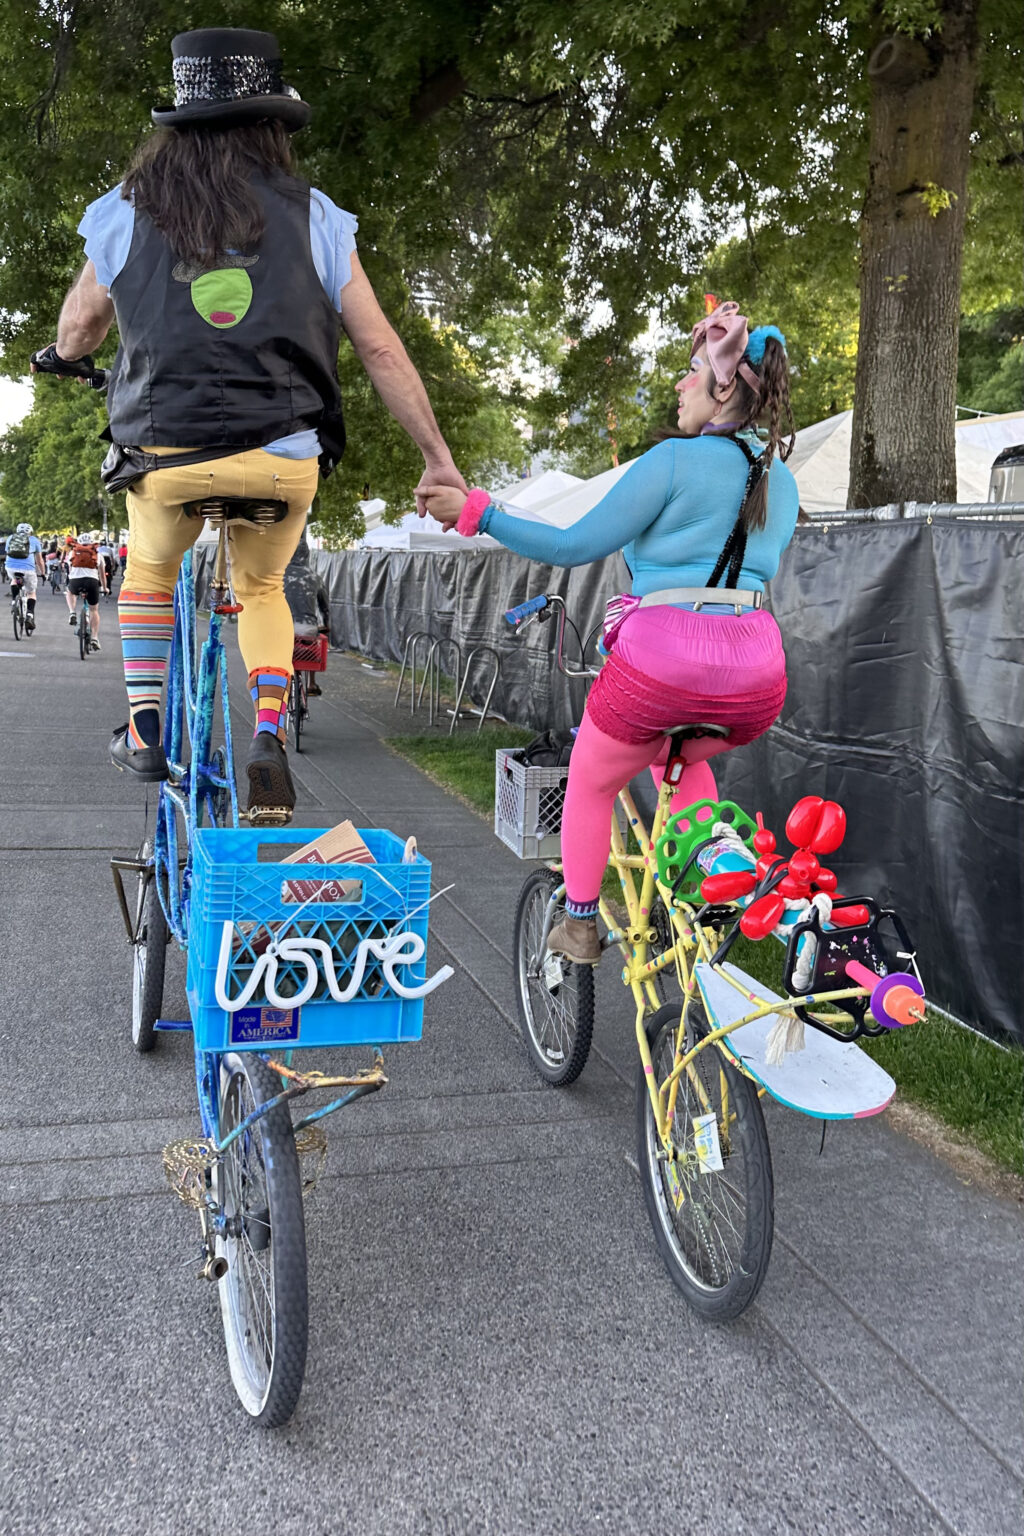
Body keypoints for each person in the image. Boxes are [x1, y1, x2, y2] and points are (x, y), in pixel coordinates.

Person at [32, 26, 465, 823]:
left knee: (153, 576)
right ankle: (268, 734)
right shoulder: (320, 217)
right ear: (271, 125)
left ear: (177, 126)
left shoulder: (126, 209)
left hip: (167, 456)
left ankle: (146, 728)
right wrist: (438, 457)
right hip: (283, 457)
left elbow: (82, 330)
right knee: (263, 583)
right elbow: (377, 345)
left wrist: (60, 355)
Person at [426, 301, 799, 964]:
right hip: (756, 674)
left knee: (594, 779)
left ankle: (577, 924)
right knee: (680, 759)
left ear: (722, 386)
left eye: (690, 373)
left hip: (662, 662)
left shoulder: (675, 461)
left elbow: (573, 545)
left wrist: (477, 511)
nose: (680, 386)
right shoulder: (783, 479)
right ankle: (708, 881)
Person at [66, 530, 109, 648]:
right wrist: (105, 588)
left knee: (69, 591)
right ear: (91, 543)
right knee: (94, 610)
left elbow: (70, 570)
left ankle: (72, 612)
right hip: (92, 582)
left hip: (75, 580)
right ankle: (95, 638)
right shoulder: (97, 555)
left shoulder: (72, 553)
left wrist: (72, 579)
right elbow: (102, 574)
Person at [5, 522, 45, 633]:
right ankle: (29, 614)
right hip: (28, 570)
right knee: (31, 592)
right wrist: (43, 573)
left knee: (14, 579)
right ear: (30, 532)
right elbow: (39, 560)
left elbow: (8, 553)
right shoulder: (35, 540)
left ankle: (14, 602)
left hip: (11, 568)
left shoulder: (10, 538)